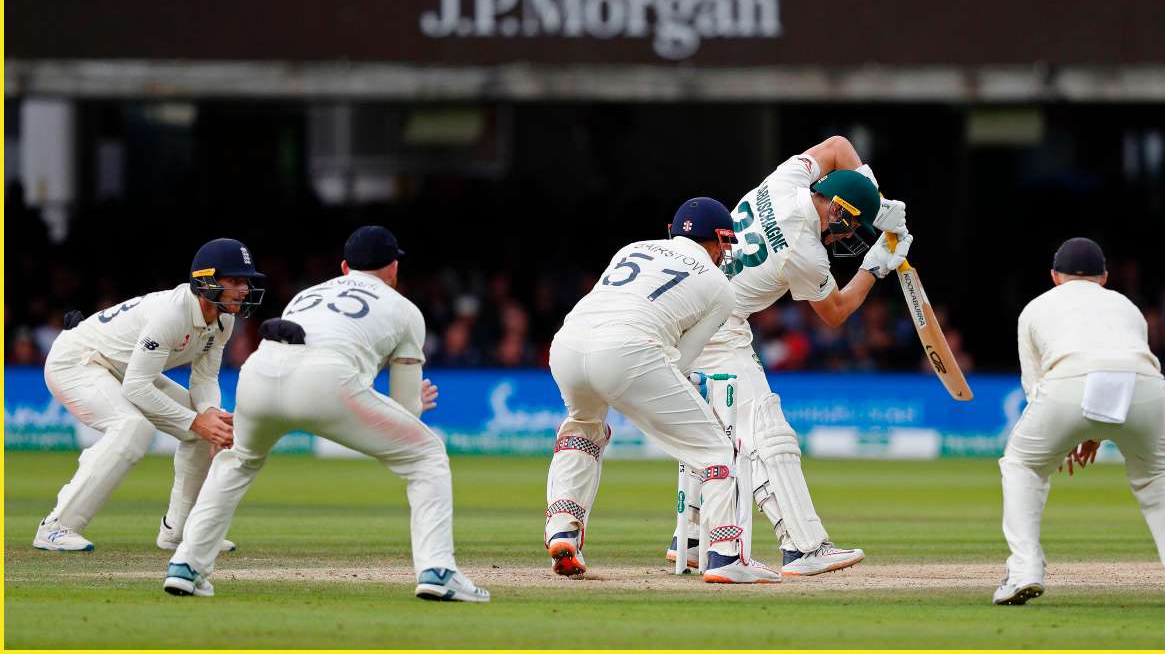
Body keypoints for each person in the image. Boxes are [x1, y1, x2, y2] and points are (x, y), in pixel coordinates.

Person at [162, 226, 488, 603]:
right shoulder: (406, 310)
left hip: (259, 373)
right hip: (325, 381)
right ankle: (438, 570)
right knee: (427, 455)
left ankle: (186, 564)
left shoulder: (308, 293)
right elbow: (403, 407)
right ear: (394, 269)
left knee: (238, 460)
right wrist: (414, 404)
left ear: (345, 267)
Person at [669, 135, 912, 576]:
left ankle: (689, 539)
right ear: (836, 209)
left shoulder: (787, 180)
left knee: (714, 434)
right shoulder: (804, 250)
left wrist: (875, 200)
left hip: (686, 314)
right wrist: (876, 265)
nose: (849, 237)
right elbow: (836, 312)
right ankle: (804, 548)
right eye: (853, 225)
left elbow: (838, 145)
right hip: (719, 327)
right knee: (768, 433)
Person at [545, 197, 780, 584]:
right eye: (725, 244)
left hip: (566, 345)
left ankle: (563, 528)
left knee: (584, 425)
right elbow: (680, 362)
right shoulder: (720, 287)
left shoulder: (633, 248)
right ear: (721, 239)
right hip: (629, 350)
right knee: (715, 449)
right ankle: (724, 556)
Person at [995, 237, 1165, 607]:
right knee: (1159, 475)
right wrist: (1093, 428)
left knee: (1023, 463)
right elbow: (1122, 367)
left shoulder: (1036, 307)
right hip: (1146, 388)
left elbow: (1035, 387)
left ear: (1055, 276)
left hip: (1068, 383)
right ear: (1104, 278)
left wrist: (1068, 434)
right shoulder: (1127, 307)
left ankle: (1024, 571)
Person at [34, 238, 263, 552]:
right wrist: (197, 422)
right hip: (77, 361)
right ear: (206, 281)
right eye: (235, 281)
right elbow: (136, 388)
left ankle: (179, 532)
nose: (244, 289)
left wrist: (209, 414)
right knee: (132, 427)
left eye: (245, 282)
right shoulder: (171, 314)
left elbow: (205, 377)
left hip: (126, 370)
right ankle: (57, 527)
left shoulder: (224, 320)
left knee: (201, 431)